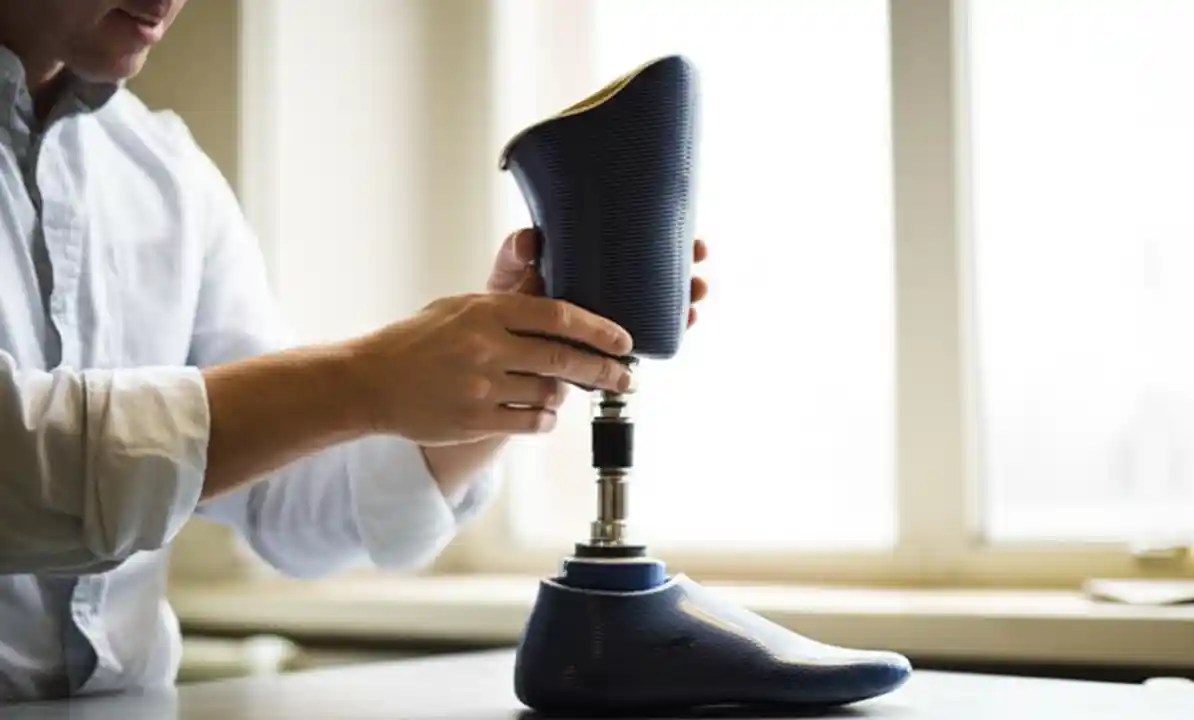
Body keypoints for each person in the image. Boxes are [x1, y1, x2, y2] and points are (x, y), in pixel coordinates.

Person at [0, 0, 711, 703]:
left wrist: (508, 368)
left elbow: (283, 502)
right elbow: (20, 467)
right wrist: (366, 382)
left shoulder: (162, 170)